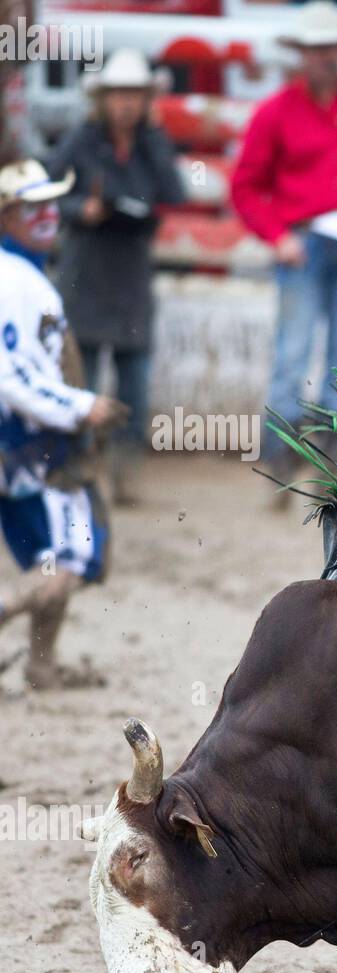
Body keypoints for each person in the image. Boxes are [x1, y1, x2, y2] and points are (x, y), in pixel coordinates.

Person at [230, 1, 337, 476]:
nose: (325, 56)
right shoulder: (276, 113)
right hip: (302, 245)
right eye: (316, 49)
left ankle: (332, 456)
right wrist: (277, 236)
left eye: (330, 46)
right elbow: (244, 185)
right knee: (294, 351)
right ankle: (282, 458)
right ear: (301, 55)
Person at [0, 160, 126, 689]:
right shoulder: (14, 280)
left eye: (52, 203)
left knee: (51, 561)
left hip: (26, 442)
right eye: (34, 207)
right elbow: (10, 374)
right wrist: (79, 406)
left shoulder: (23, 275)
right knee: (72, 560)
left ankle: (42, 664)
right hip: (36, 443)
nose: (49, 215)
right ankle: (37, 657)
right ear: (7, 215)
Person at [46, 47, 185, 505]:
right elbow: (46, 192)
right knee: (79, 382)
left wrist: (160, 138)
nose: (126, 103)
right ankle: (79, 466)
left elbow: (173, 190)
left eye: (135, 95)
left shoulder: (150, 144)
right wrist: (78, 208)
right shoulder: (81, 141)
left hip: (129, 275)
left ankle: (125, 473)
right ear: (103, 99)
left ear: (147, 100)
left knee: (133, 384)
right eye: (119, 94)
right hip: (85, 271)